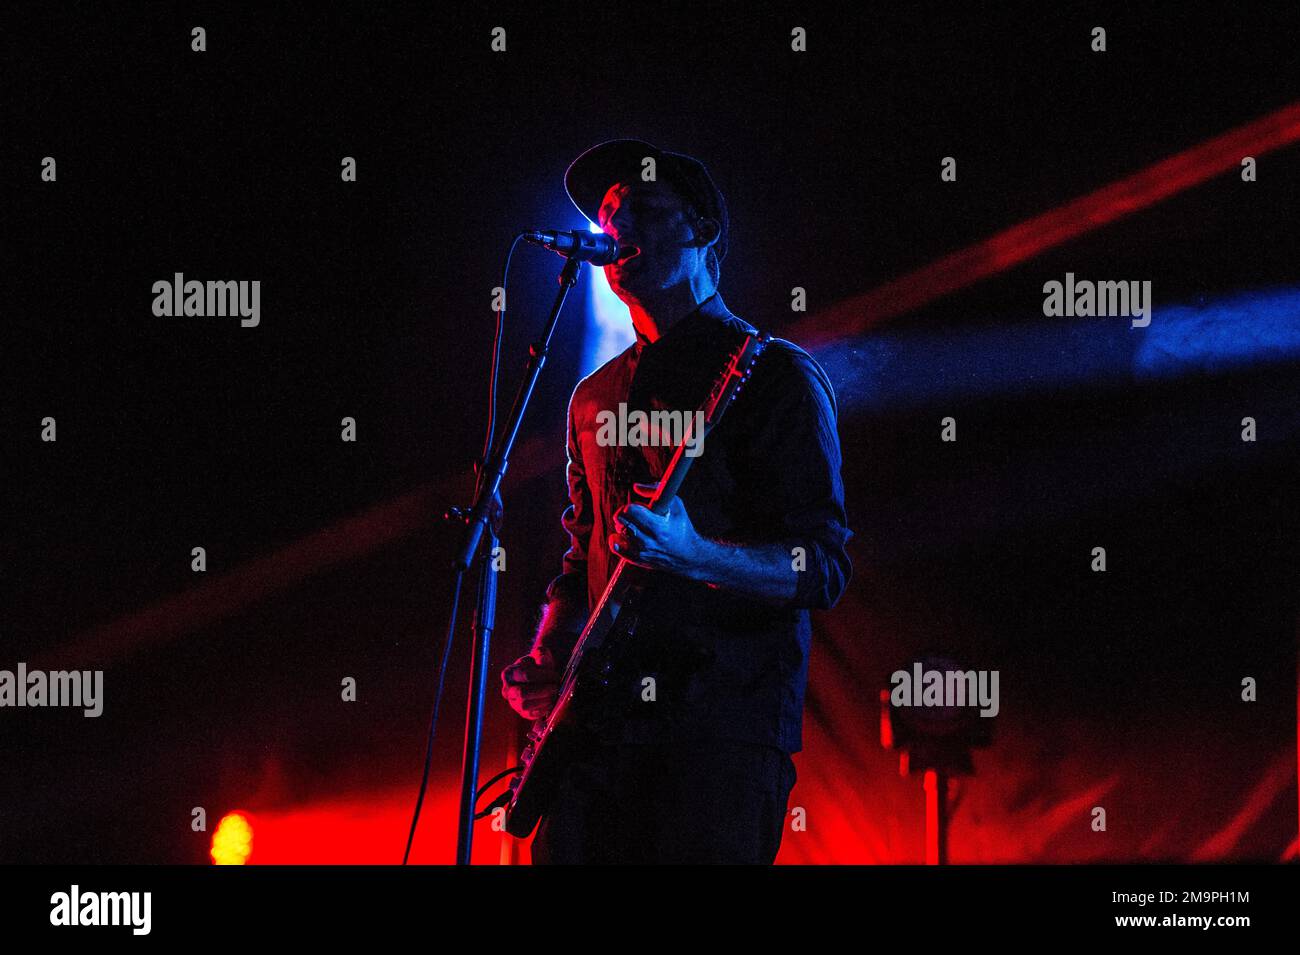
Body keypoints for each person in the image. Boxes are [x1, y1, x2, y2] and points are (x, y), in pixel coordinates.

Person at [500, 139, 852, 864]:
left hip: (716, 733)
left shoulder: (776, 376)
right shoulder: (591, 397)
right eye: (607, 216)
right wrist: (549, 650)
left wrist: (696, 554)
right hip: (594, 739)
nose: (616, 229)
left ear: (702, 230)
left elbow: (820, 566)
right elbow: (580, 555)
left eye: (645, 211)